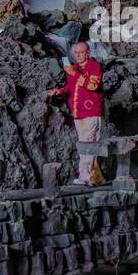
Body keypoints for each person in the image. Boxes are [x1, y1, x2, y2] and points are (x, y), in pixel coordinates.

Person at [48, 41, 105, 186]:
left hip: (92, 112)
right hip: (78, 113)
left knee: (88, 144)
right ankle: (95, 178)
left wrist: (74, 73)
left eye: (81, 52)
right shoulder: (73, 68)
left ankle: (85, 176)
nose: (78, 55)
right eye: (76, 52)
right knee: (84, 145)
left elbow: (93, 85)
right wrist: (59, 91)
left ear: (88, 53)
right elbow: (70, 87)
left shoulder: (95, 67)